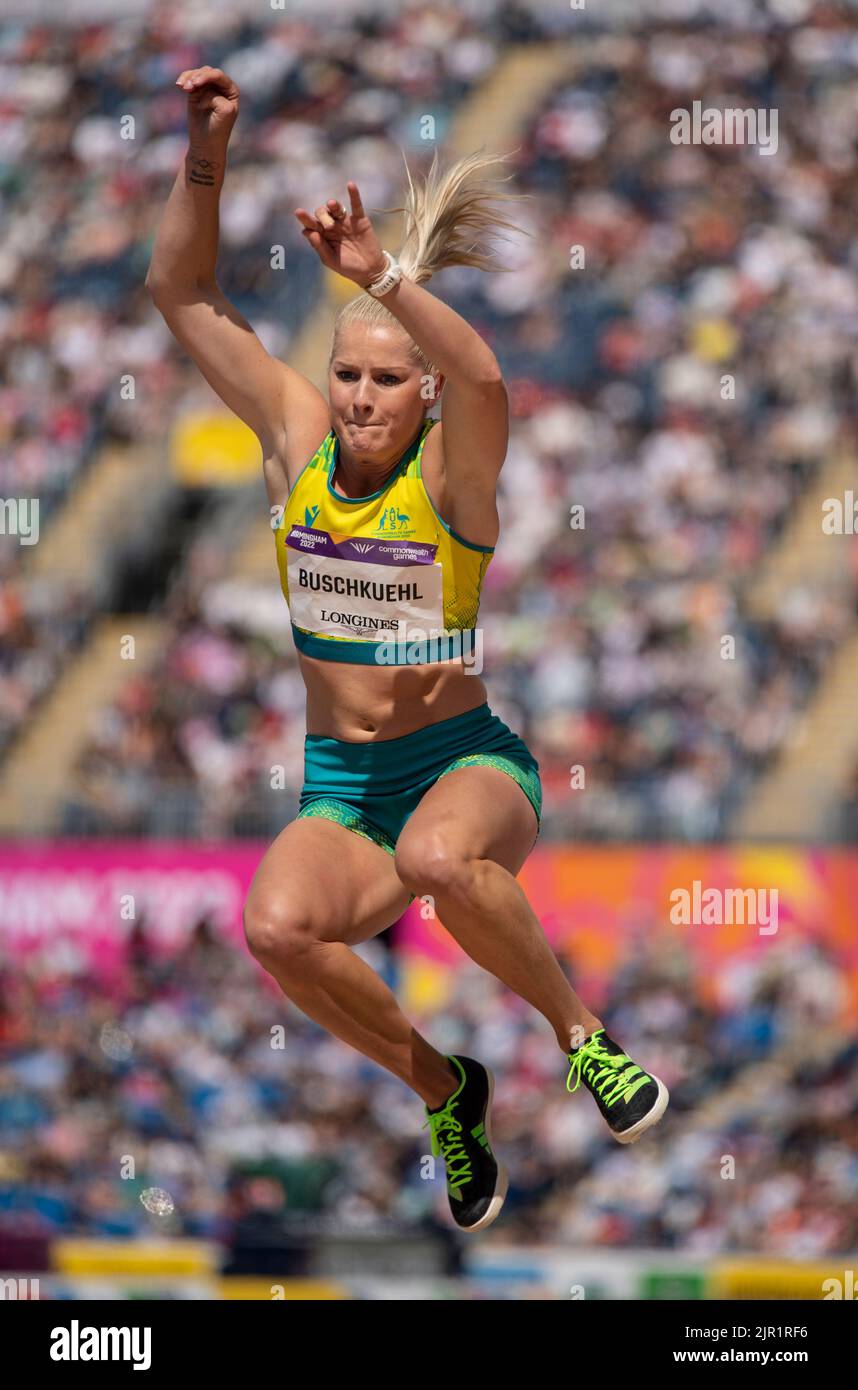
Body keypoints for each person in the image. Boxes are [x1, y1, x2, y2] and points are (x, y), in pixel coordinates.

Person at [146, 67, 669, 1234]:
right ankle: (448, 1089)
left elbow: (484, 374)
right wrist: (205, 147)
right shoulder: (294, 446)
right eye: (345, 375)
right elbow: (180, 290)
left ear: (421, 392)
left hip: (466, 768)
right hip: (344, 787)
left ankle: (582, 1040)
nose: (360, 398)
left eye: (386, 379)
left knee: (440, 856)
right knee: (276, 927)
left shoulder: (452, 475)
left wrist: (380, 274)